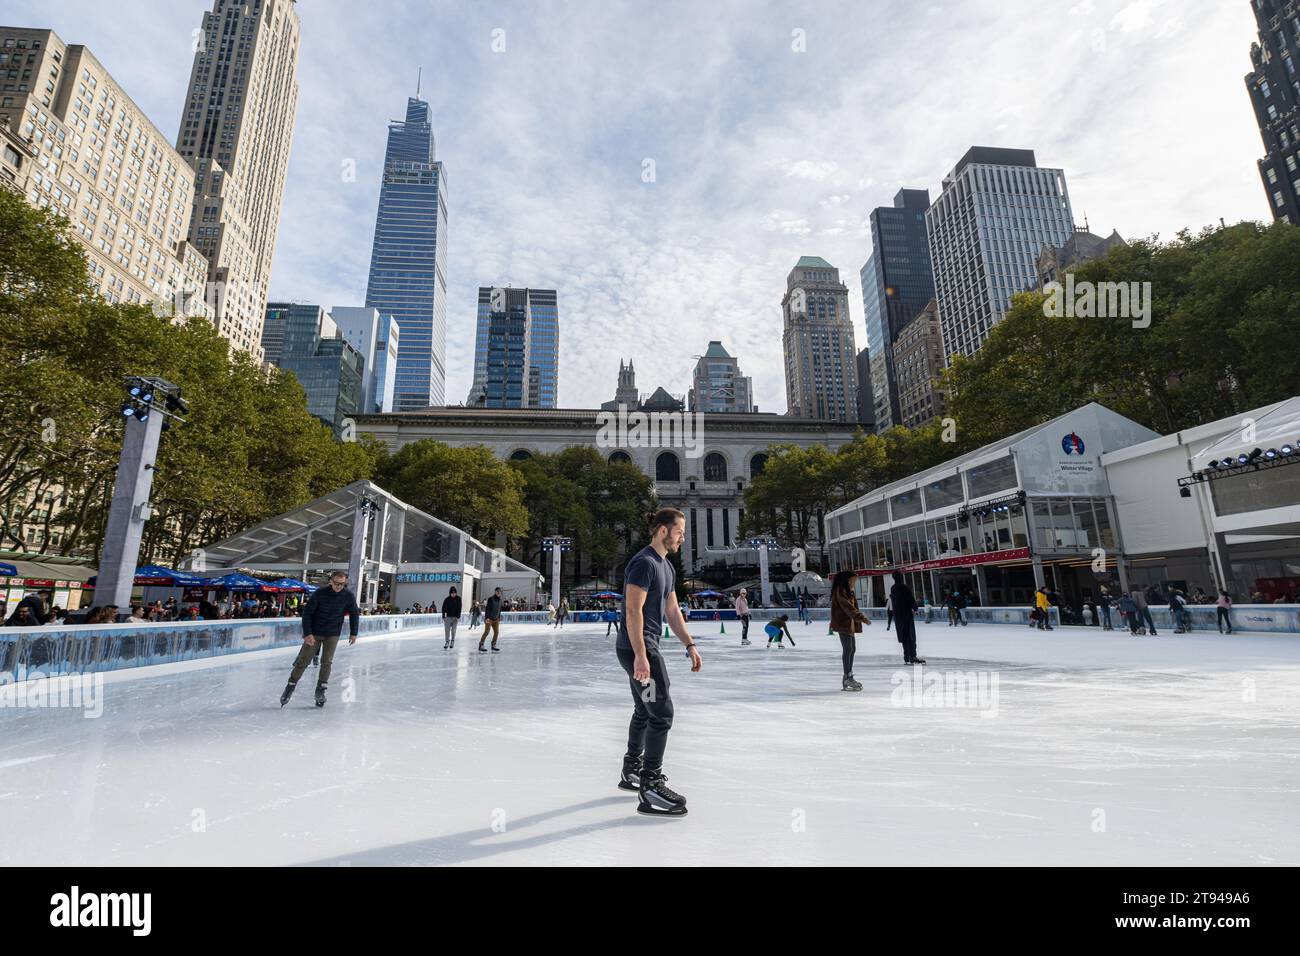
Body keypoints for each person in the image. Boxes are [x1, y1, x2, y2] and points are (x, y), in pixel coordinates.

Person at [615, 508, 700, 817]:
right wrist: (641, 655)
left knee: (644, 709)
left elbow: (673, 611)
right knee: (661, 713)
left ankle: (632, 771)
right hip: (640, 650)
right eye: (679, 531)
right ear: (663, 531)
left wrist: (689, 643)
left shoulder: (666, 566)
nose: (682, 537)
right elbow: (633, 611)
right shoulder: (644, 564)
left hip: (639, 649)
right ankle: (650, 786)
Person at [280, 571, 360, 708]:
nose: (339, 587)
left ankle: (320, 691)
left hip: (332, 633)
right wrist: (307, 633)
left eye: (342, 584)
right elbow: (307, 614)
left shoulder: (348, 596)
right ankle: (290, 686)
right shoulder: (320, 593)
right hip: (315, 633)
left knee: (327, 662)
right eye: (336, 583)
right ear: (331, 581)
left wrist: (354, 632)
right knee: (303, 661)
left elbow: (354, 613)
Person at [830, 570, 869, 691]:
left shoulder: (848, 591)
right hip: (843, 623)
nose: (854, 583)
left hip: (849, 624)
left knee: (852, 649)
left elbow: (853, 607)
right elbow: (848, 607)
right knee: (848, 649)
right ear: (847, 580)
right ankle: (847, 676)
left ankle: (848, 676)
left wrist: (858, 619)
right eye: (853, 581)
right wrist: (861, 618)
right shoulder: (840, 592)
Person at [891, 572, 924, 665]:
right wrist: (915, 608)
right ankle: (912, 656)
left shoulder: (893, 588)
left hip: (898, 616)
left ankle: (906, 656)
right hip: (906, 615)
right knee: (910, 636)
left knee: (904, 636)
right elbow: (910, 599)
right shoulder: (904, 587)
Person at [479, 588, 503, 653]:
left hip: (496, 619)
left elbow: (499, 609)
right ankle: (481, 644)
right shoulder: (491, 599)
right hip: (489, 619)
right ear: (495, 592)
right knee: (487, 632)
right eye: (497, 591)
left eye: (499, 591)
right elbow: (487, 609)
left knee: (497, 632)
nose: (498, 592)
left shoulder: (500, 600)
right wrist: (487, 618)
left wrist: (499, 617)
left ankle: (493, 645)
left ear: (501, 592)